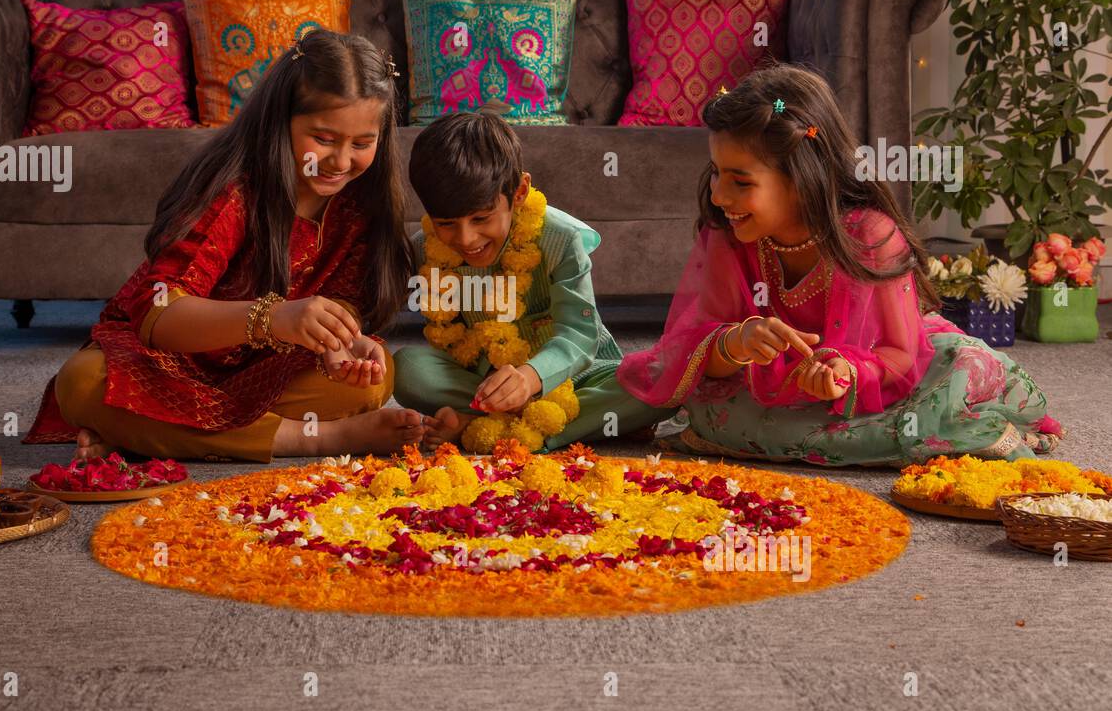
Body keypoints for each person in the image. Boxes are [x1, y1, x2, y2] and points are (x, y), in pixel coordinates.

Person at [618, 65, 1062, 465]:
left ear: (802, 175)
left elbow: (899, 357)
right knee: (715, 411)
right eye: (716, 172)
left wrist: (846, 373)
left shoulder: (871, 235)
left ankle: (918, 430)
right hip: (768, 387)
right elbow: (694, 350)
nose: (718, 196)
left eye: (741, 181)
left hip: (879, 378)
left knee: (957, 371)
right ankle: (859, 438)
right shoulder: (727, 235)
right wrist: (734, 343)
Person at [25, 29, 429, 461]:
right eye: (324, 139)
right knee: (84, 383)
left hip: (266, 368)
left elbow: (346, 296)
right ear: (281, 119)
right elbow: (158, 312)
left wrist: (339, 342)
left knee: (375, 380)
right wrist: (272, 318)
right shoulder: (234, 188)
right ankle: (311, 437)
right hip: (168, 360)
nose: (341, 161)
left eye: (362, 143)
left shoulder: (362, 200)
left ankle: (141, 432)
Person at [393, 110, 675, 453]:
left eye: (481, 218)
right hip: (485, 382)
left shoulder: (561, 239)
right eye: (447, 223)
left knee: (667, 378)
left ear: (520, 191)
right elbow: (451, 340)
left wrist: (530, 378)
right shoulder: (428, 250)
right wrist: (502, 387)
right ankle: (562, 424)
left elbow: (578, 336)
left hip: (575, 375)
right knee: (407, 369)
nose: (466, 239)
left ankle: (495, 430)